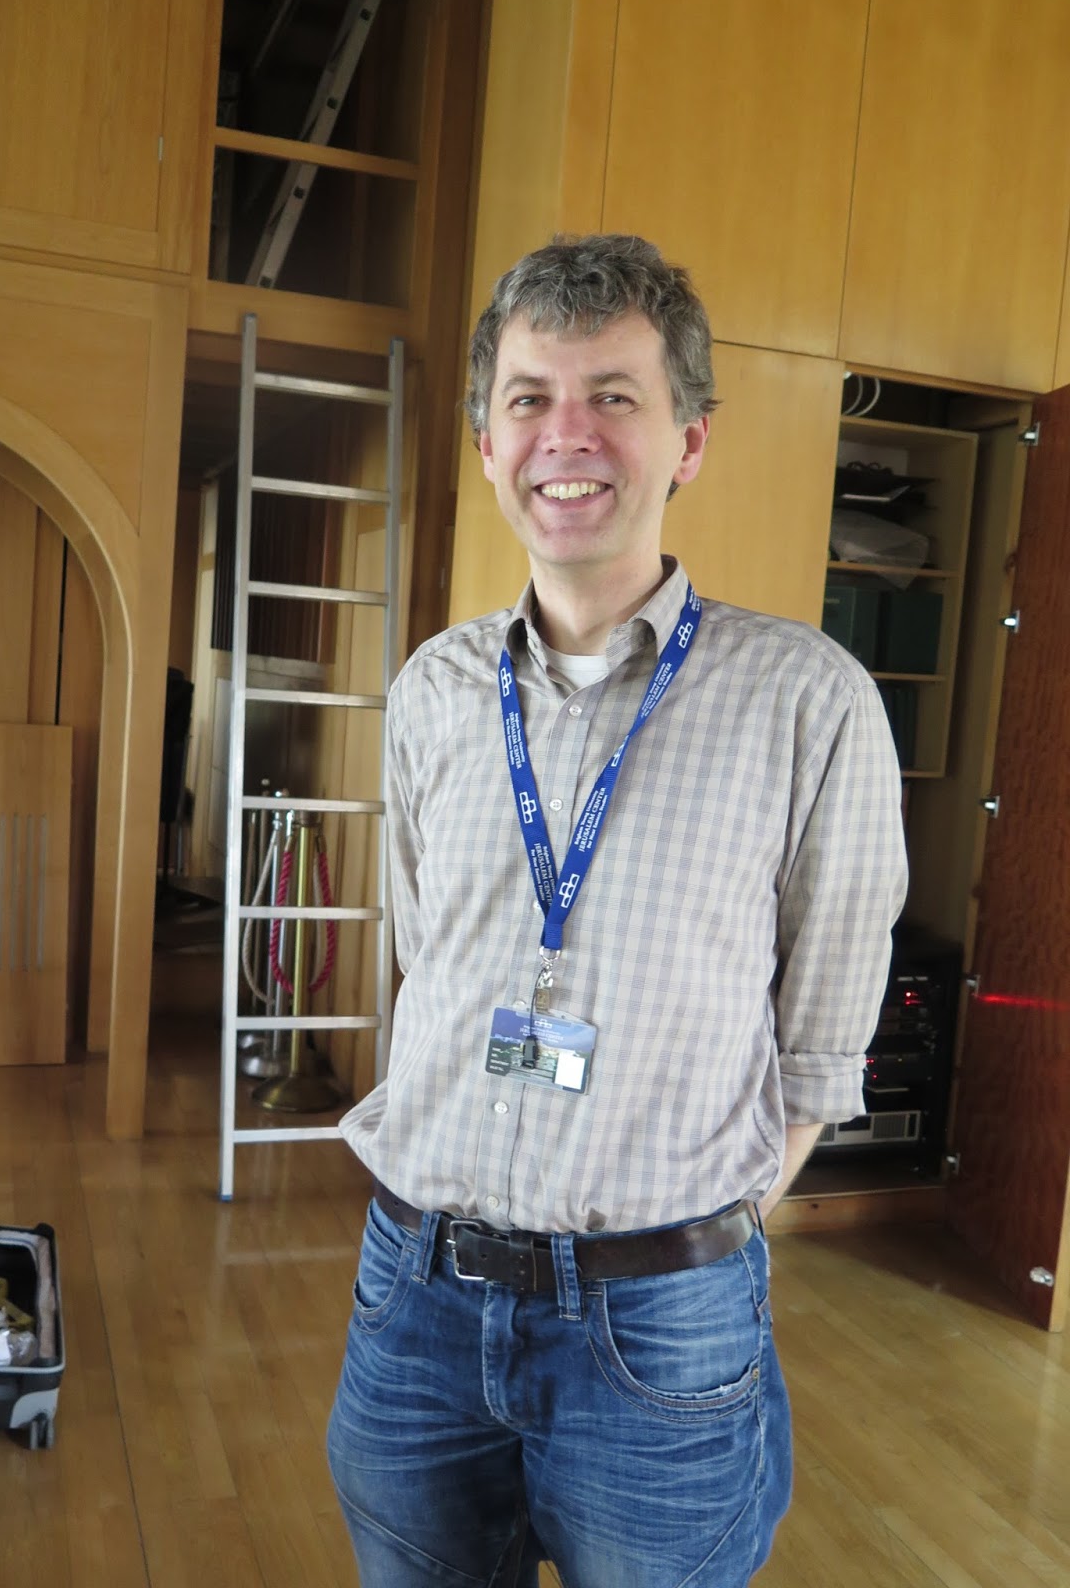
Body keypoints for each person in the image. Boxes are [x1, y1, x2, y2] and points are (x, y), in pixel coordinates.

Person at [328, 233, 907, 1587]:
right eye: (530, 398)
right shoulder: (429, 693)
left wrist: (683, 1248)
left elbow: (820, 1043)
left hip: (660, 1322)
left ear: (689, 441)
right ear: (487, 442)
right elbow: (430, 960)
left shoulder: (809, 702)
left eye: (614, 396)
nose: (565, 435)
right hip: (411, 1298)